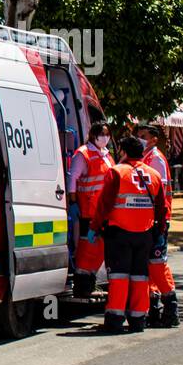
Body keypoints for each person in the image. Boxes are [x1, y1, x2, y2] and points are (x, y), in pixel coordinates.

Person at [91, 136, 168, 334]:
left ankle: (115, 319)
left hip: (119, 234)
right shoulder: (153, 175)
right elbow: (162, 207)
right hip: (145, 234)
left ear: (123, 152)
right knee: (140, 277)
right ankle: (138, 319)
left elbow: (104, 204)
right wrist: (158, 232)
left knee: (118, 276)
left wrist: (95, 227)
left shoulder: (116, 172)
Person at [136, 124, 180, 327]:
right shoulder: (144, 159)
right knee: (148, 265)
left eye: (143, 136)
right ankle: (153, 307)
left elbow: (158, 193)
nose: (140, 139)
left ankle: (170, 307)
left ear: (153, 139)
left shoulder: (156, 160)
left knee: (157, 264)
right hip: (147, 220)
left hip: (158, 220)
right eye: (138, 136)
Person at [68, 122, 113, 299]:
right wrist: (73, 202)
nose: (105, 137)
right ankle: (82, 282)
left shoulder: (106, 155)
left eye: (107, 134)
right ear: (93, 135)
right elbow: (73, 179)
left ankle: (91, 278)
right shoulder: (83, 153)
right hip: (88, 210)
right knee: (87, 247)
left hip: (104, 211)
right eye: (102, 134)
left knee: (100, 246)